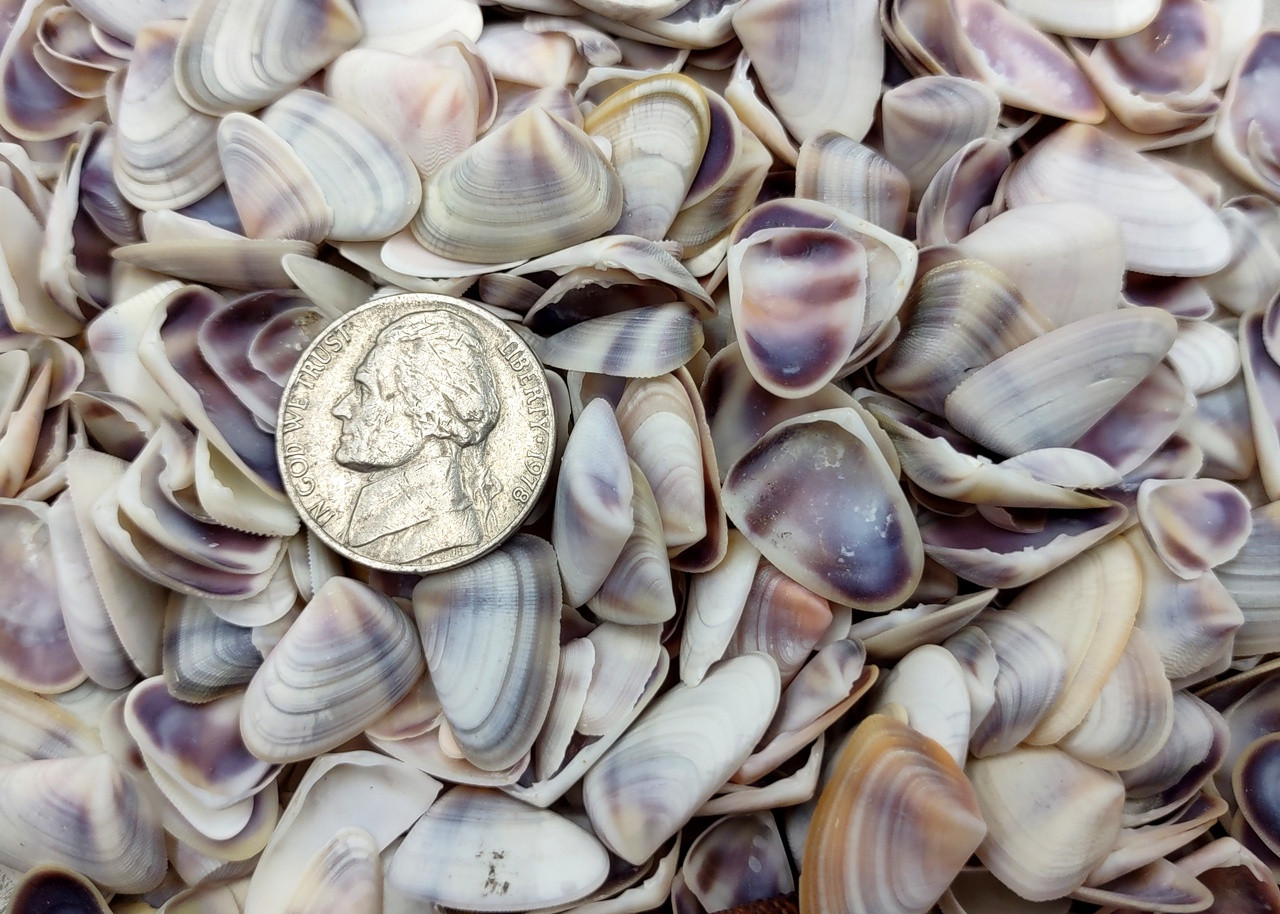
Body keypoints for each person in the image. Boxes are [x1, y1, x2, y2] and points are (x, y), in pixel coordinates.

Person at [332, 308, 502, 563]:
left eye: (365, 391)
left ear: (428, 413)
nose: (340, 409)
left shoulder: (442, 532)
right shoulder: (380, 518)